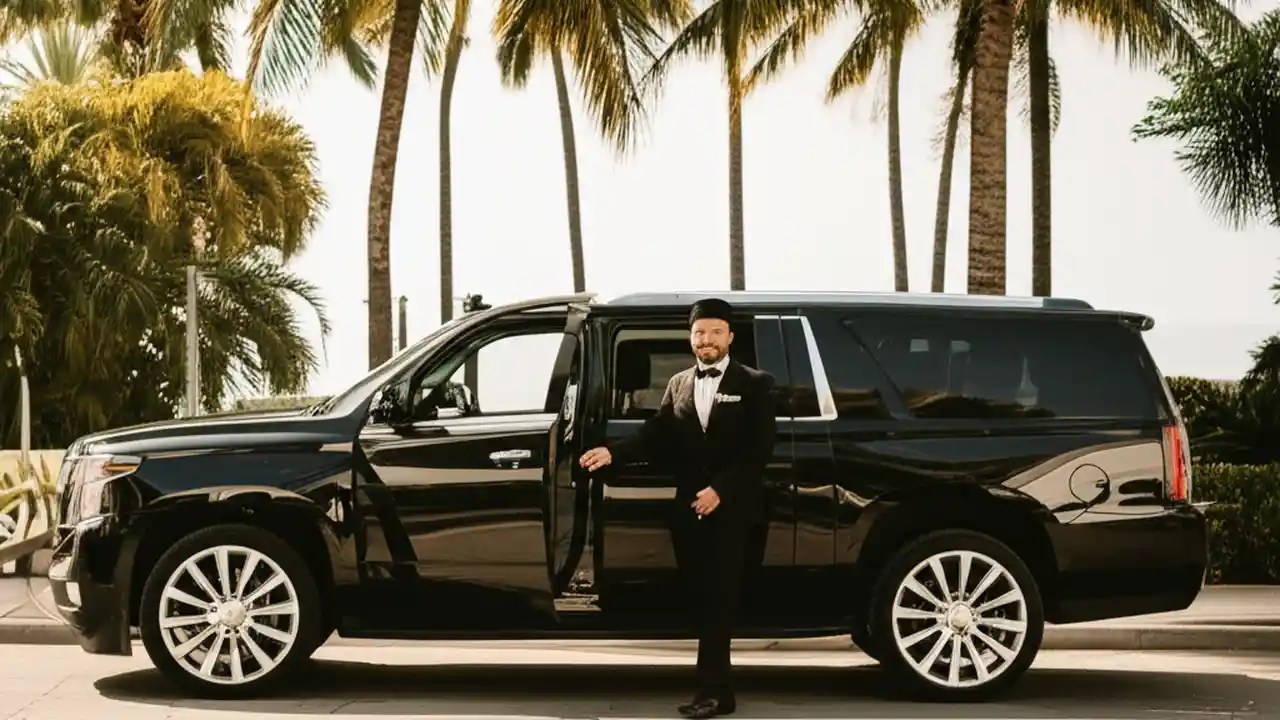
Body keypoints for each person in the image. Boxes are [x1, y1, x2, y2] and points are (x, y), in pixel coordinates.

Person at [579, 297, 776, 719]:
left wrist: (721, 490)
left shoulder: (757, 383)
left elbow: (759, 450)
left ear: (730, 337)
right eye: (699, 333)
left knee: (719, 600)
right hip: (688, 512)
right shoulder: (679, 383)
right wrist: (613, 453)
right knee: (702, 600)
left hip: (735, 511)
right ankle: (722, 693)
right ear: (691, 338)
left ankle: (711, 692)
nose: (706, 340)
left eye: (715, 332)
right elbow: (656, 434)